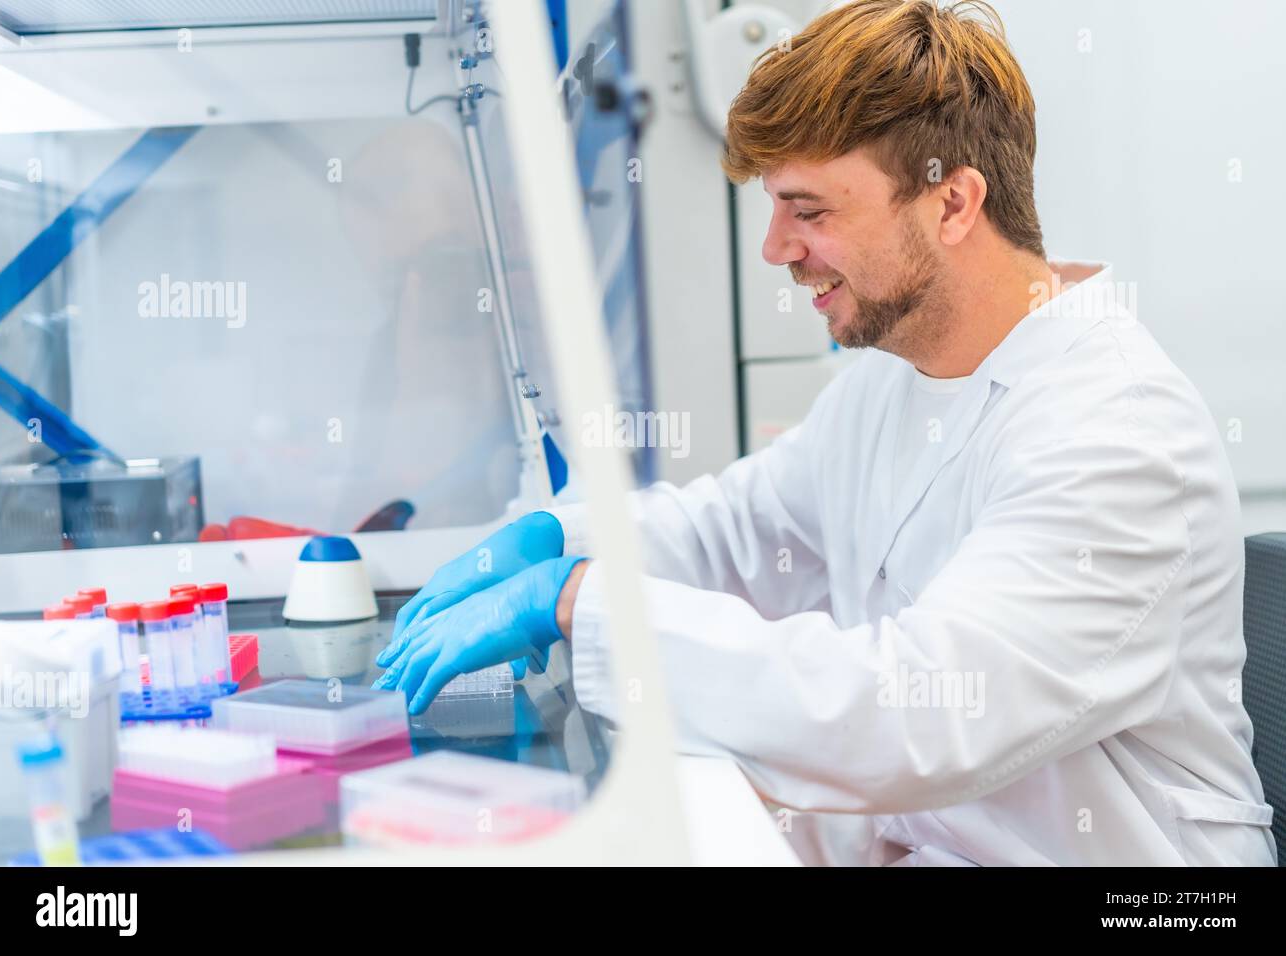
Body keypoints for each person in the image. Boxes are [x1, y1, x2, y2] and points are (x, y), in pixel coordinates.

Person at [374, 0, 1276, 866]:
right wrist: (556, 543)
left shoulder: (1115, 433)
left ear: (954, 205)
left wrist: (579, 603)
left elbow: (914, 712)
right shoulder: (891, 381)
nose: (776, 247)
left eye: (810, 212)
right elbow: (737, 531)